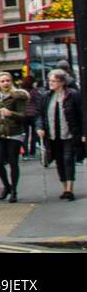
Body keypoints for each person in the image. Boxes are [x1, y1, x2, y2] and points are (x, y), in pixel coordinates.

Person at [37, 68, 84, 201]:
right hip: (52, 135)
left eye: (54, 81)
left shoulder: (73, 95)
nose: (51, 83)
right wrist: (40, 127)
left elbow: (81, 114)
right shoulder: (46, 96)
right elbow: (40, 115)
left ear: (62, 82)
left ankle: (69, 189)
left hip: (69, 134)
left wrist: (83, 133)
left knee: (68, 159)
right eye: (50, 81)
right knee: (59, 162)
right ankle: (64, 187)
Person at [0, 72, 29, 203]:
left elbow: (23, 115)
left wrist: (10, 113)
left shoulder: (18, 96)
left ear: (11, 82)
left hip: (14, 133)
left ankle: (14, 190)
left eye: (7, 81)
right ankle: (6, 186)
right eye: (2, 81)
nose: (5, 83)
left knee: (13, 162)